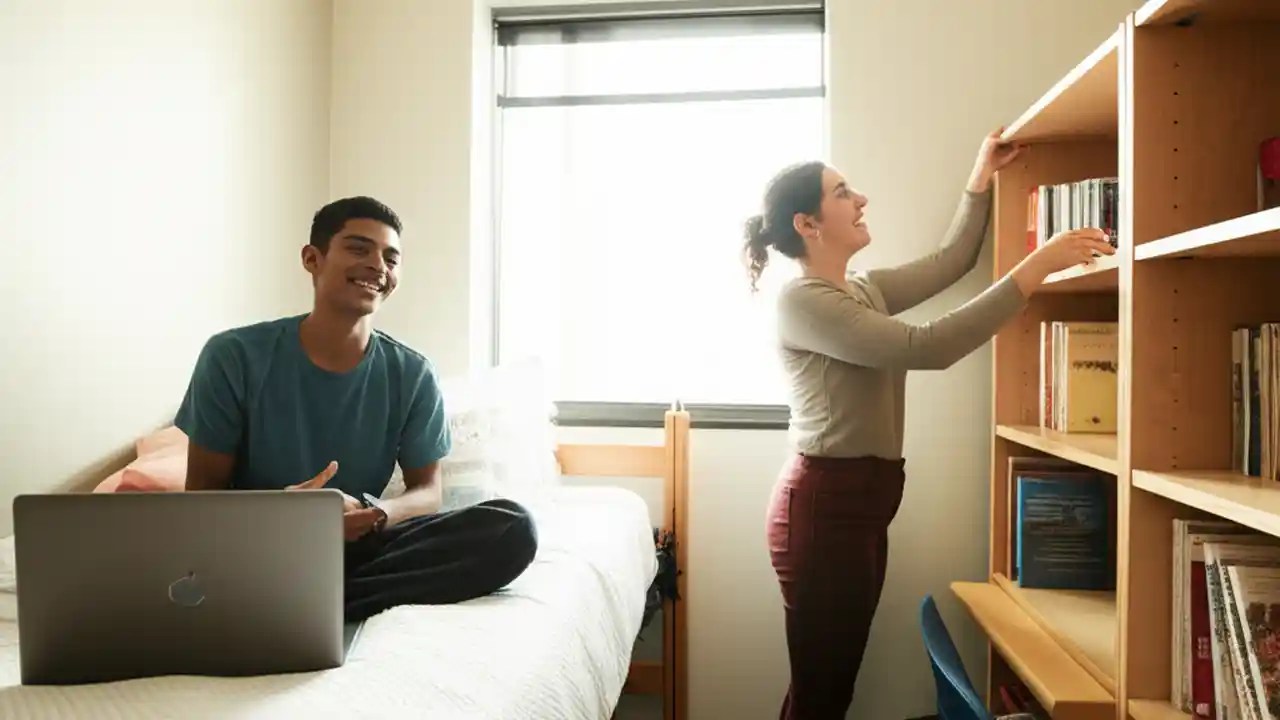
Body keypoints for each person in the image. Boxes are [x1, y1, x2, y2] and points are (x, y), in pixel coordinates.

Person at [743, 128, 1115, 719]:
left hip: (857, 506)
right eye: (842, 193)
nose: (861, 199)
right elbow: (928, 346)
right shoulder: (803, 302)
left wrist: (980, 177)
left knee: (828, 687)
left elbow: (953, 261)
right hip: (824, 510)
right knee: (823, 692)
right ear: (807, 224)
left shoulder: (863, 290)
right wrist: (1038, 266)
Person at [175, 196, 538, 623]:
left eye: (391, 258)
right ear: (312, 259)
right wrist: (289, 514)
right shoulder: (232, 356)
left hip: (361, 546)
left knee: (510, 527)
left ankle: (310, 602)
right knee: (193, 551)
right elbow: (201, 497)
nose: (378, 266)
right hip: (264, 542)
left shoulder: (413, 373)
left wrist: (378, 515)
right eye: (359, 249)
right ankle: (297, 596)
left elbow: (428, 491)